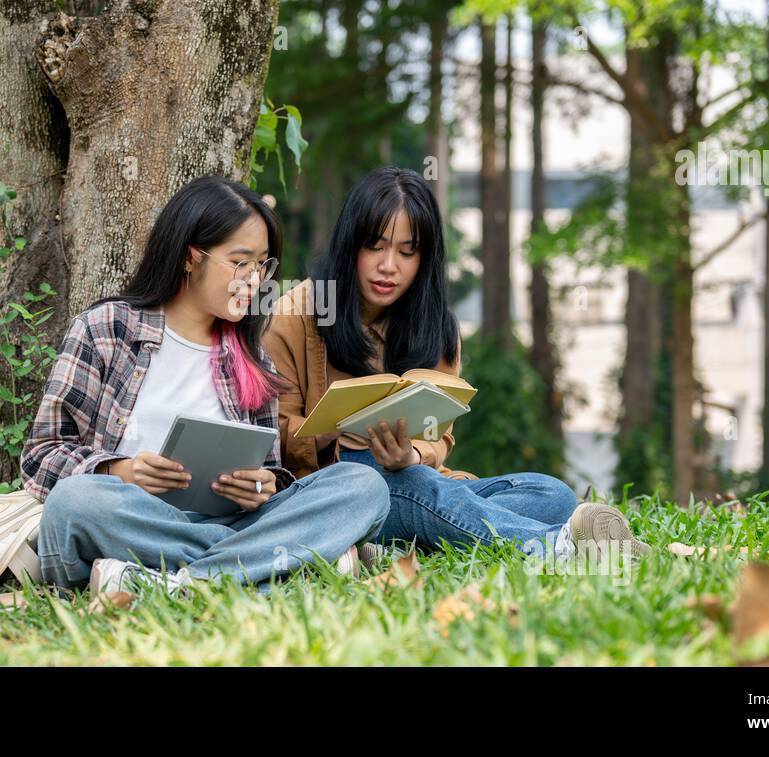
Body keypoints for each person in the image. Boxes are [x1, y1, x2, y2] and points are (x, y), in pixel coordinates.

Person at [21, 175, 390, 598]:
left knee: (362, 486)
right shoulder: (107, 329)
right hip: (134, 520)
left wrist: (260, 487)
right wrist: (121, 471)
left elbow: (266, 471)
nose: (255, 280)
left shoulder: (253, 358)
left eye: (263, 265)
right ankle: (271, 570)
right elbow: (40, 457)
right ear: (190, 258)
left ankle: (175, 583)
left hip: (231, 524)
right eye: (240, 262)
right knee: (74, 504)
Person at [262, 165, 652, 563]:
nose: (388, 266)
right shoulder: (299, 311)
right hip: (337, 489)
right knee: (409, 489)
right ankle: (557, 547)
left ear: (424, 258)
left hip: (410, 476)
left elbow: (438, 434)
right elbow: (271, 436)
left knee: (552, 495)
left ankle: (399, 542)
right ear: (351, 246)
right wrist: (330, 429)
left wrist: (408, 456)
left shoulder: (433, 325)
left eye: (406, 251)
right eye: (375, 247)